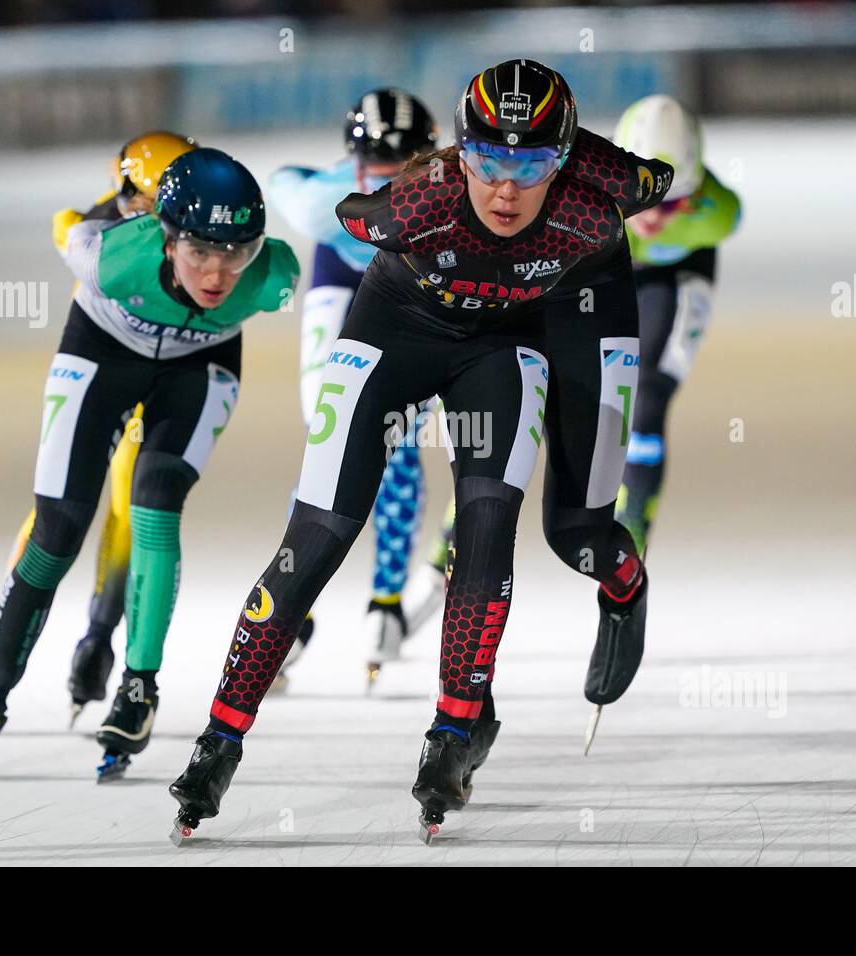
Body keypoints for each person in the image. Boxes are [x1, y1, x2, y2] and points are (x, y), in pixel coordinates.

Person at [166, 59, 672, 843]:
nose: (507, 188)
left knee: (549, 531)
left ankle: (470, 717)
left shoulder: (598, 195)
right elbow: (342, 206)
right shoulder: (408, 207)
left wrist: (588, 164)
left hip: (546, 319)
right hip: (399, 325)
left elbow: (658, 175)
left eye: (533, 162)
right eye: (488, 161)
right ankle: (218, 740)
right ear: (460, 152)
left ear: (564, 159)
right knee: (318, 534)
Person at [0, 148, 300, 781]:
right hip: (103, 350)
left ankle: (139, 684)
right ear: (165, 235)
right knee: (59, 525)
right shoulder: (110, 258)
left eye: (236, 253)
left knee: (156, 501)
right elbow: (67, 223)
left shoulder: (272, 275)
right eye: (200, 250)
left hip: (197, 369)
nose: (218, 272)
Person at [0, 132, 200, 733]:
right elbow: (69, 229)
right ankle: (3, 651)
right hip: (110, 369)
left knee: (133, 503)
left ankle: (99, 635)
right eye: (152, 207)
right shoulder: (97, 226)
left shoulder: (161, 216)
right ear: (128, 194)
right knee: (54, 519)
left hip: (162, 375)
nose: (166, 223)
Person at [265, 88, 440, 689]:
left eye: (404, 172)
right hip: (344, 276)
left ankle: (382, 602)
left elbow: (285, 174)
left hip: (410, 285)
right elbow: (284, 178)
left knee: (399, 440)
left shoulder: (448, 187)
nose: (390, 183)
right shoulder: (323, 202)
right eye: (377, 173)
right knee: (330, 437)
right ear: (355, 166)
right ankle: (302, 607)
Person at [610, 95, 742, 557]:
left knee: (648, 396)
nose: (653, 217)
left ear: (696, 194)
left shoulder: (717, 214)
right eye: (643, 198)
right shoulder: (588, 198)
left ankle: (634, 527)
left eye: (673, 204)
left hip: (668, 276)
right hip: (620, 266)